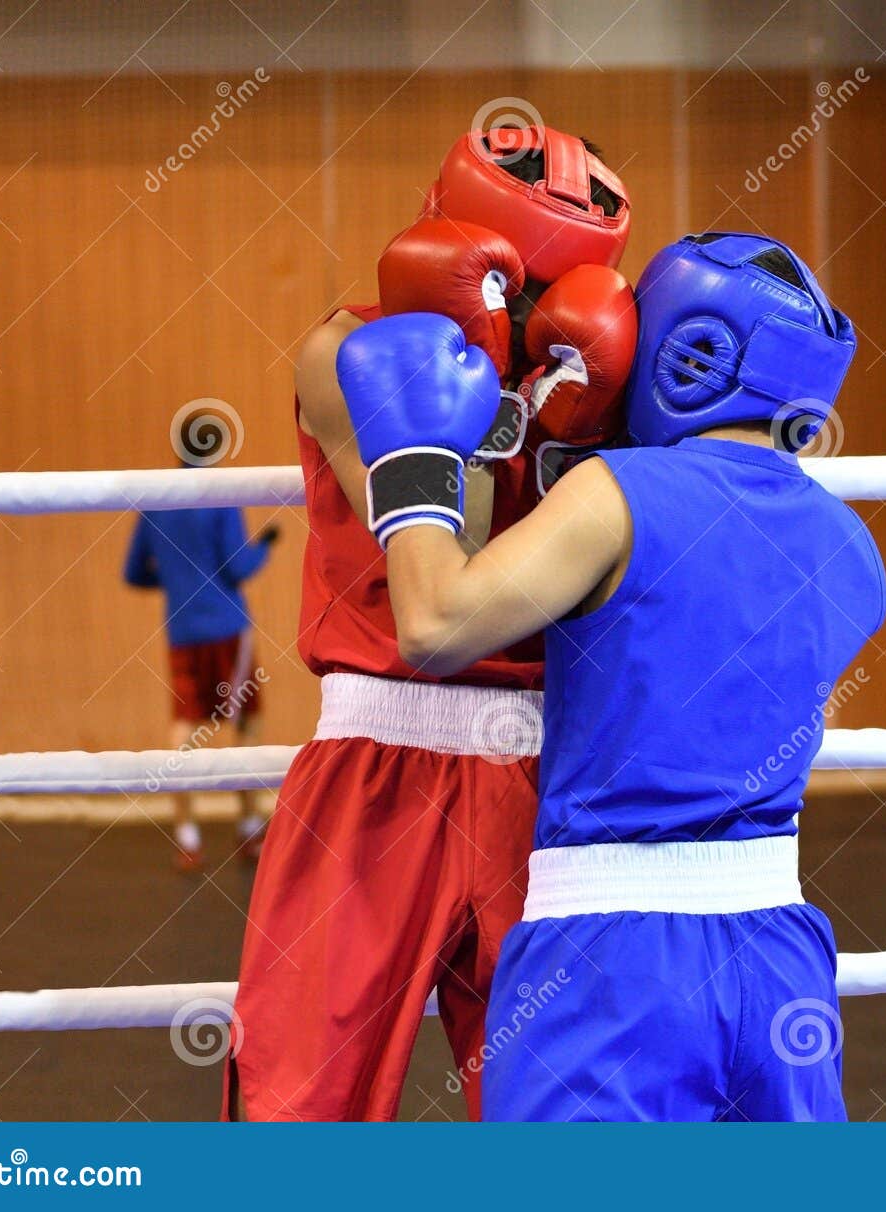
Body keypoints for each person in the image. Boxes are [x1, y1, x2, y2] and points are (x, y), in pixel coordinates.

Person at [337, 231, 886, 1121]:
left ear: (683, 352)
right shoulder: (855, 554)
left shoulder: (613, 494)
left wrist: (417, 461)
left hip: (612, 964)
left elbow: (435, 626)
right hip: (782, 958)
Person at [227, 123, 636, 1121]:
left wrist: (581, 393)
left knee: (564, 1114)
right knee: (299, 1105)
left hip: (550, 775)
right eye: (520, 289)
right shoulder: (347, 351)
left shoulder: (600, 374)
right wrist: (501, 403)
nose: (537, 314)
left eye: (555, 294)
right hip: (377, 761)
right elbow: (432, 556)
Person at [122, 448, 278, 872]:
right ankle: (248, 827)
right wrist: (265, 545)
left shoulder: (158, 499)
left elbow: (133, 572)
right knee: (245, 724)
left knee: (184, 727)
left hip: (183, 629)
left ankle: (187, 835)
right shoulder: (221, 493)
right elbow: (238, 567)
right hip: (228, 627)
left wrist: (176, 579)